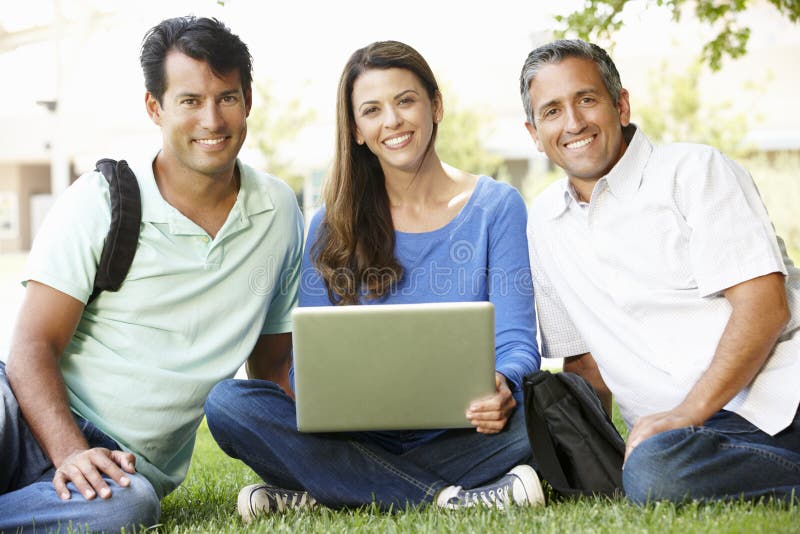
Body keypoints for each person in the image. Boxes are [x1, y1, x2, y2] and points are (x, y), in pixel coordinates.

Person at [204, 40, 543, 520]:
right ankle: (450, 497)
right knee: (229, 404)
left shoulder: (497, 207)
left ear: (435, 106)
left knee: (545, 411)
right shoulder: (330, 224)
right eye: (372, 110)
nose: (393, 121)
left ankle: (329, 489)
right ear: (357, 130)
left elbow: (517, 345)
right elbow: (306, 368)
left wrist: (503, 382)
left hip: (469, 429)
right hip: (354, 434)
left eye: (405, 101)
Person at [0, 16, 303, 532]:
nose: (212, 119)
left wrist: (326, 455)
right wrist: (71, 451)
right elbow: (30, 350)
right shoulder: (100, 200)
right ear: (154, 107)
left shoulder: (278, 213)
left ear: (247, 101)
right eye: (189, 101)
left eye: (227, 97)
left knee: (130, 507)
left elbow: (273, 368)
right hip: (24, 413)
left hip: (122, 462)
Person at [520, 39, 800, 504]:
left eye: (586, 99)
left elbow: (764, 308)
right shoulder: (544, 222)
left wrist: (686, 413)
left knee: (656, 474)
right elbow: (583, 363)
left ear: (621, 105)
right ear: (533, 133)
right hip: (688, 443)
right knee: (655, 472)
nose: (573, 123)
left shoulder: (694, 171)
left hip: (781, 401)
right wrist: (594, 452)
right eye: (552, 111)